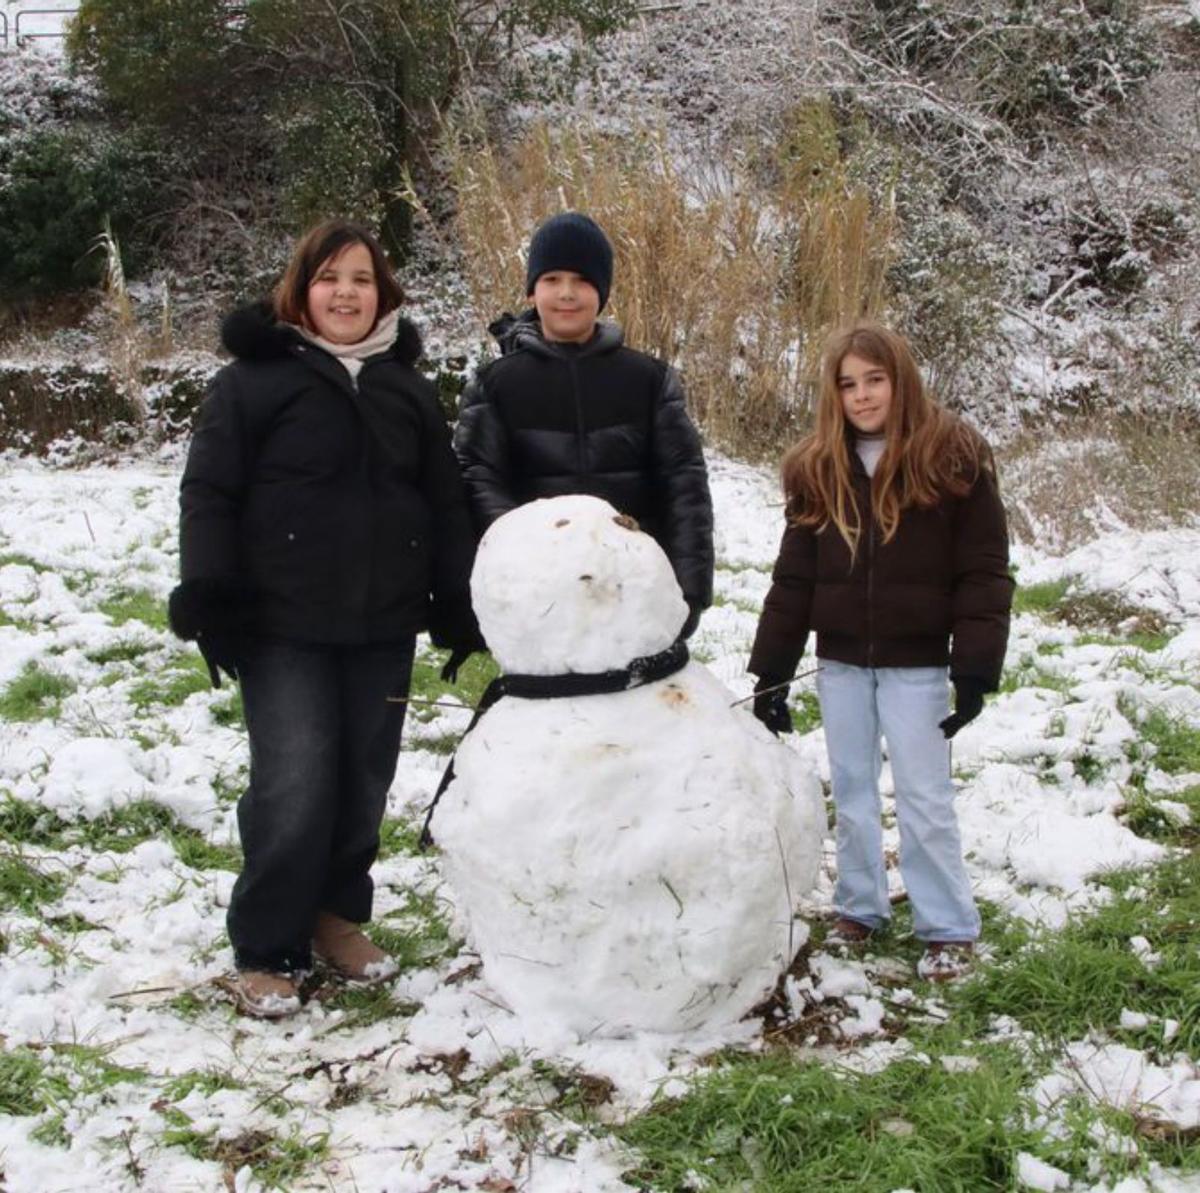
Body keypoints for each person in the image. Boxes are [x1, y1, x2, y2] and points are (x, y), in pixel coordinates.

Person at [168, 219, 480, 1018]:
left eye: (362, 279)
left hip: (382, 621)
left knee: (363, 779)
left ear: (384, 294)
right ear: (301, 290)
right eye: (330, 277)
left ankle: (337, 918)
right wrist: (209, 590)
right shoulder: (252, 382)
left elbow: (441, 500)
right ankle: (268, 942)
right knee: (297, 779)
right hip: (284, 623)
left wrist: (457, 601)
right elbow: (210, 491)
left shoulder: (405, 388)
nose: (346, 292)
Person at [748, 320, 1013, 982]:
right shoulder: (818, 467)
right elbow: (794, 578)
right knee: (856, 791)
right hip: (840, 663)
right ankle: (859, 907)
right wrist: (771, 672)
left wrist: (974, 667)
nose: (862, 396)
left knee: (924, 797)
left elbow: (984, 570)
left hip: (917, 666)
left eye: (875, 380)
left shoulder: (952, 459)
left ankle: (948, 927)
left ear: (901, 381)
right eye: (848, 385)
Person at [453, 211, 714, 637]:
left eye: (582, 280)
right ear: (533, 289)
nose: (567, 294)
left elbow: (685, 487)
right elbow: (478, 480)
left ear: (602, 291)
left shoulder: (649, 379)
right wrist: (530, 556)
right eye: (552, 279)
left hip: (634, 593)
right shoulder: (495, 385)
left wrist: (690, 591)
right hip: (540, 598)